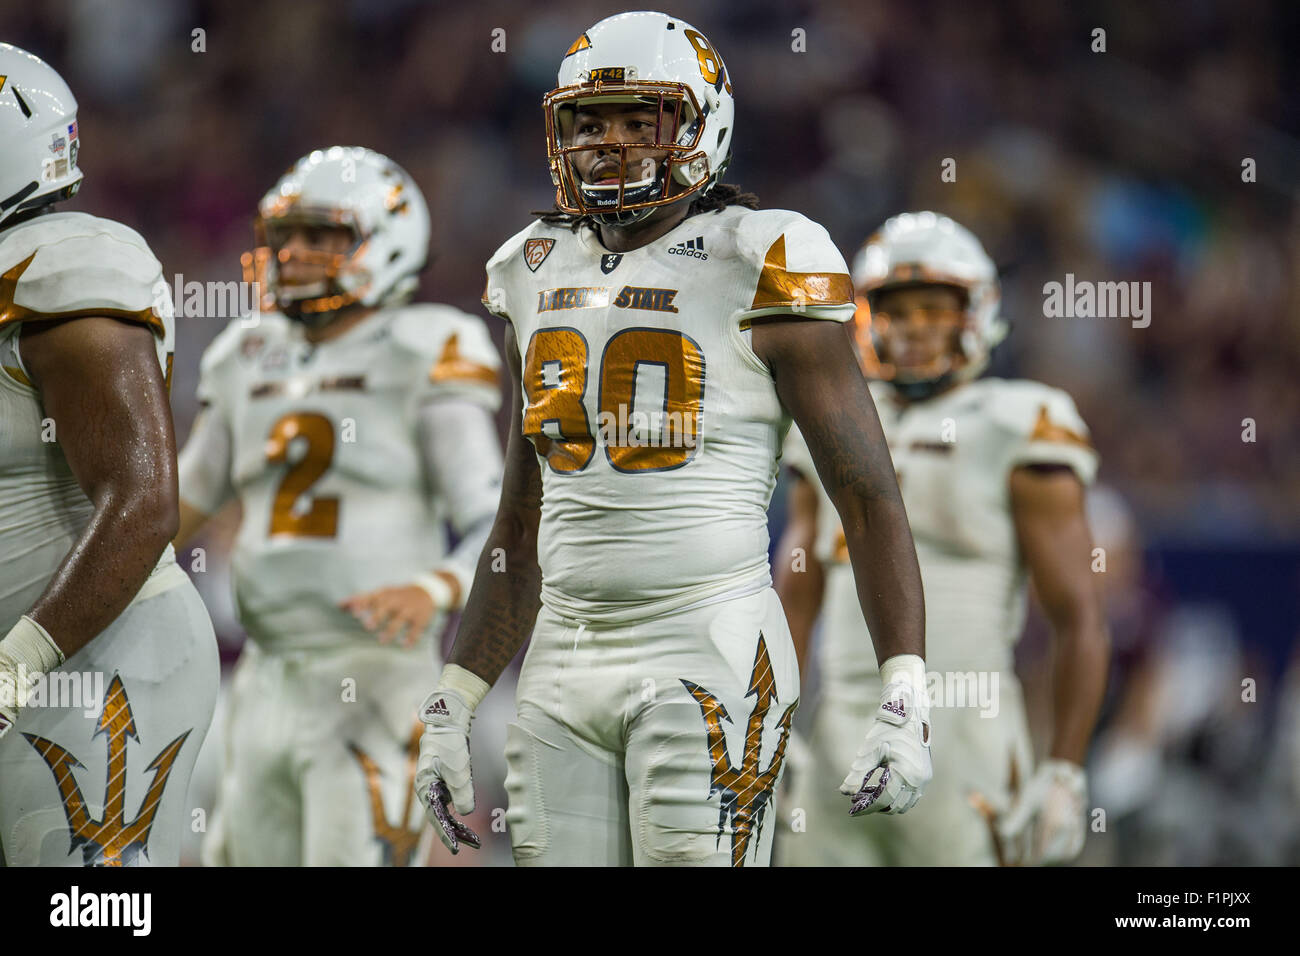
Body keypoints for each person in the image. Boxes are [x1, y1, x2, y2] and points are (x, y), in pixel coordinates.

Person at [413, 11, 929, 867]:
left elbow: (868, 500)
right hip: (562, 662)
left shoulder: (760, 257)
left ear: (698, 124)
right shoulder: (531, 266)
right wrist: (454, 698)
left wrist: (905, 689)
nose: (606, 141)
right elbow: (519, 523)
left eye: (635, 119)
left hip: (709, 644)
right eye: (587, 121)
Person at [174, 146, 503, 866]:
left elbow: (494, 522)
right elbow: (176, 507)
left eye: (321, 236)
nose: (292, 254)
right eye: (285, 237)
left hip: (376, 671)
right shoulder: (244, 353)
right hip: (264, 673)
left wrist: (433, 587)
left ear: (387, 239)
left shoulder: (424, 345)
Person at [776, 211, 1110, 866]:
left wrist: (1065, 769)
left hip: (968, 728)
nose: (915, 328)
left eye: (935, 308)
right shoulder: (826, 421)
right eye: (897, 310)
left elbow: (1079, 618)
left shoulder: (1016, 420)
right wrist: (774, 724)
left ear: (976, 312)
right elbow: (797, 589)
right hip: (840, 723)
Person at [0, 42, 218, 866]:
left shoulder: (63, 267)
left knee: (92, 919)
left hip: (95, 668)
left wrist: (18, 663)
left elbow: (144, 502)